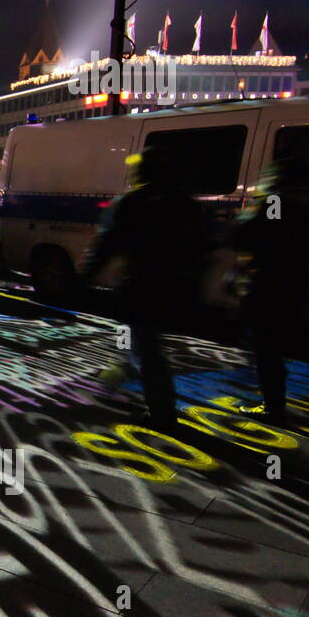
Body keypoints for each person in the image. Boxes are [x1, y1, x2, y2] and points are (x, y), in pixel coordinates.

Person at [80, 146, 207, 428]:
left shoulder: (133, 202)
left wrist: (87, 277)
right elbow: (203, 245)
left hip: (143, 284)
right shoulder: (187, 203)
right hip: (178, 285)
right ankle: (126, 371)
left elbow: (108, 242)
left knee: (148, 348)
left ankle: (161, 412)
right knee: (147, 342)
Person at [232, 148, 309, 426]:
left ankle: (274, 407)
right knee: (282, 343)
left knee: (266, 348)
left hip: (270, 284)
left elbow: (246, 235)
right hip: (300, 283)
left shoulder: (275, 202)